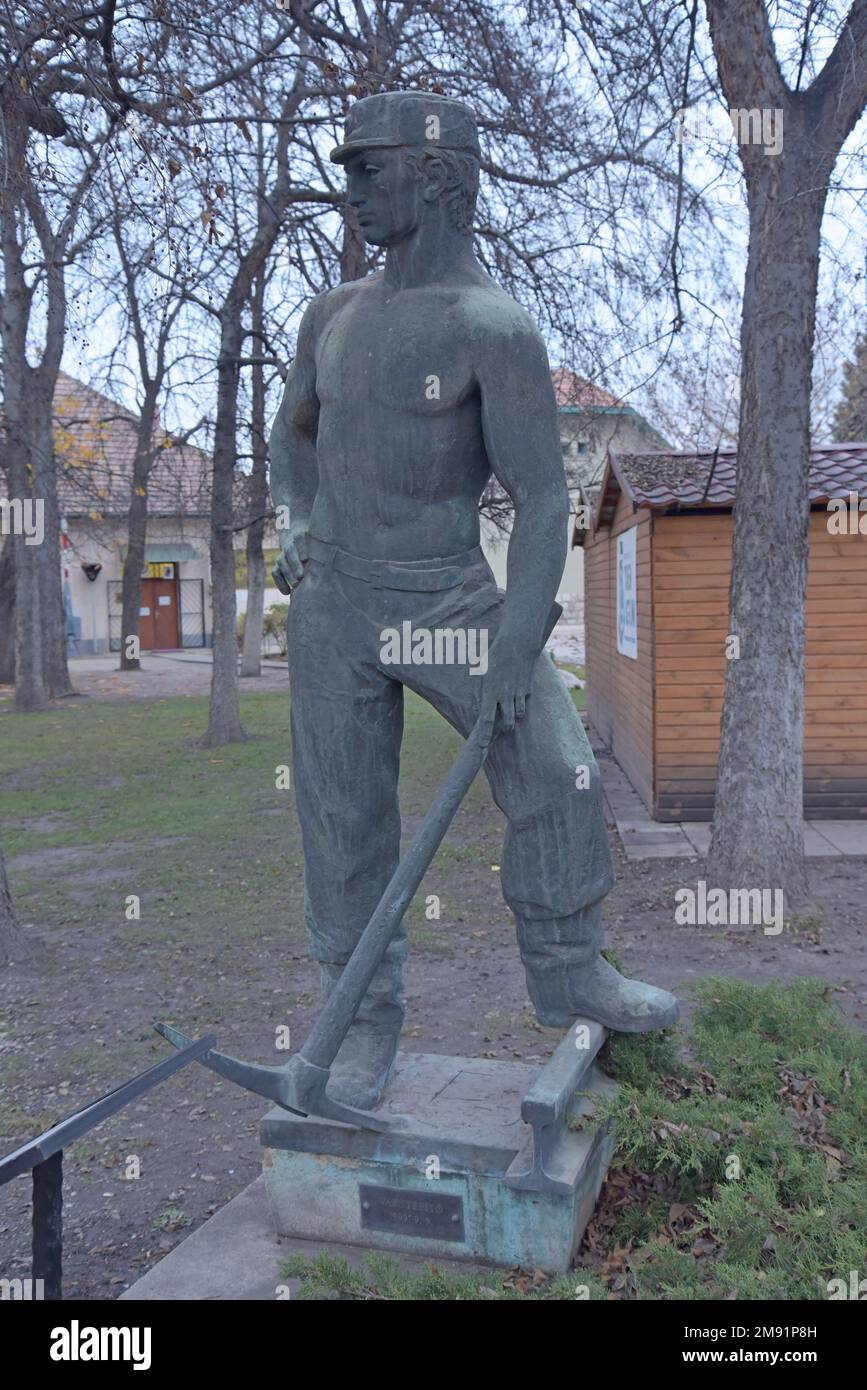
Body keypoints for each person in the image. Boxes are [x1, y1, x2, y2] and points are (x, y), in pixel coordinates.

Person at [269, 91, 678, 1109]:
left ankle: (569, 964)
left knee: (561, 770)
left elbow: (543, 497)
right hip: (335, 604)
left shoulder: (491, 325)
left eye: (368, 167)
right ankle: (361, 1026)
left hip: (448, 596)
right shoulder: (330, 317)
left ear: (437, 174)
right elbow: (292, 437)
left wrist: (515, 635)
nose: (348, 188)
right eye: (345, 167)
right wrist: (292, 521)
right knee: (342, 821)